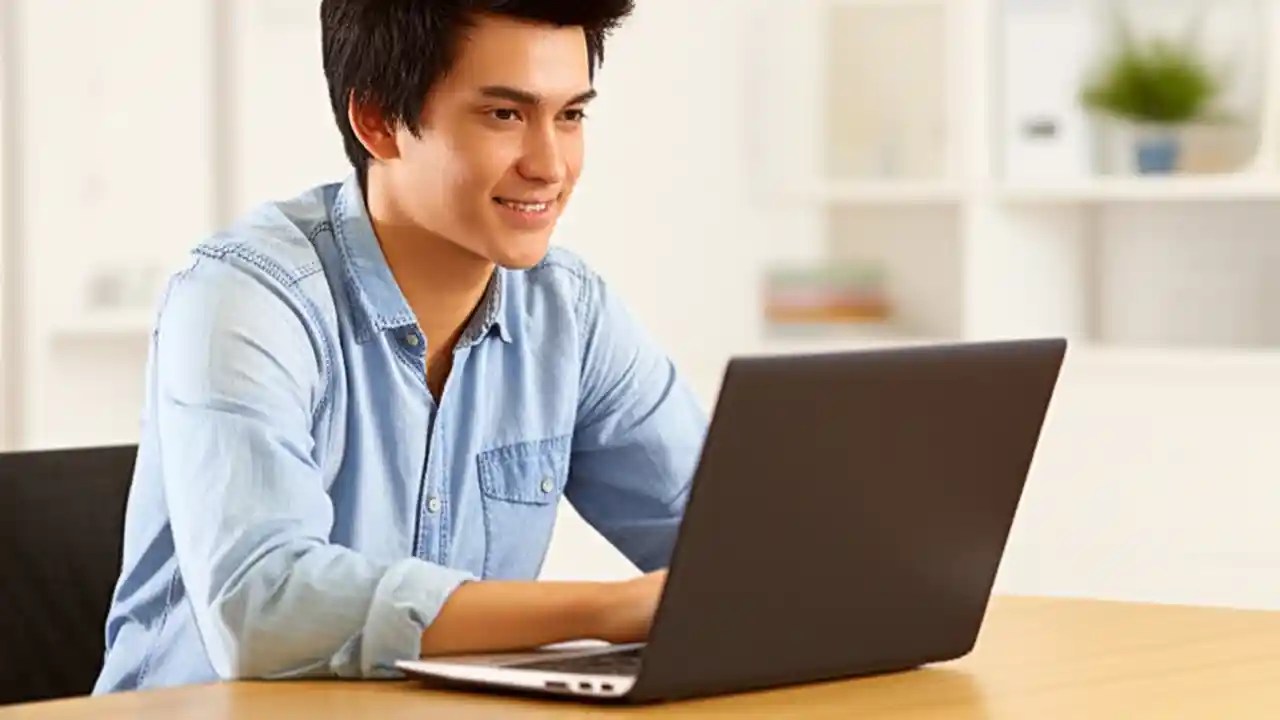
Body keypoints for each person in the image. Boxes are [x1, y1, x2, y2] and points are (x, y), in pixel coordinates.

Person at [94, 0, 706, 693]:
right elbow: (262, 605)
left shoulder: (569, 312)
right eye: (505, 115)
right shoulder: (244, 298)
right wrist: (611, 611)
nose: (551, 165)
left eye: (570, 115)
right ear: (379, 120)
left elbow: (733, 539)